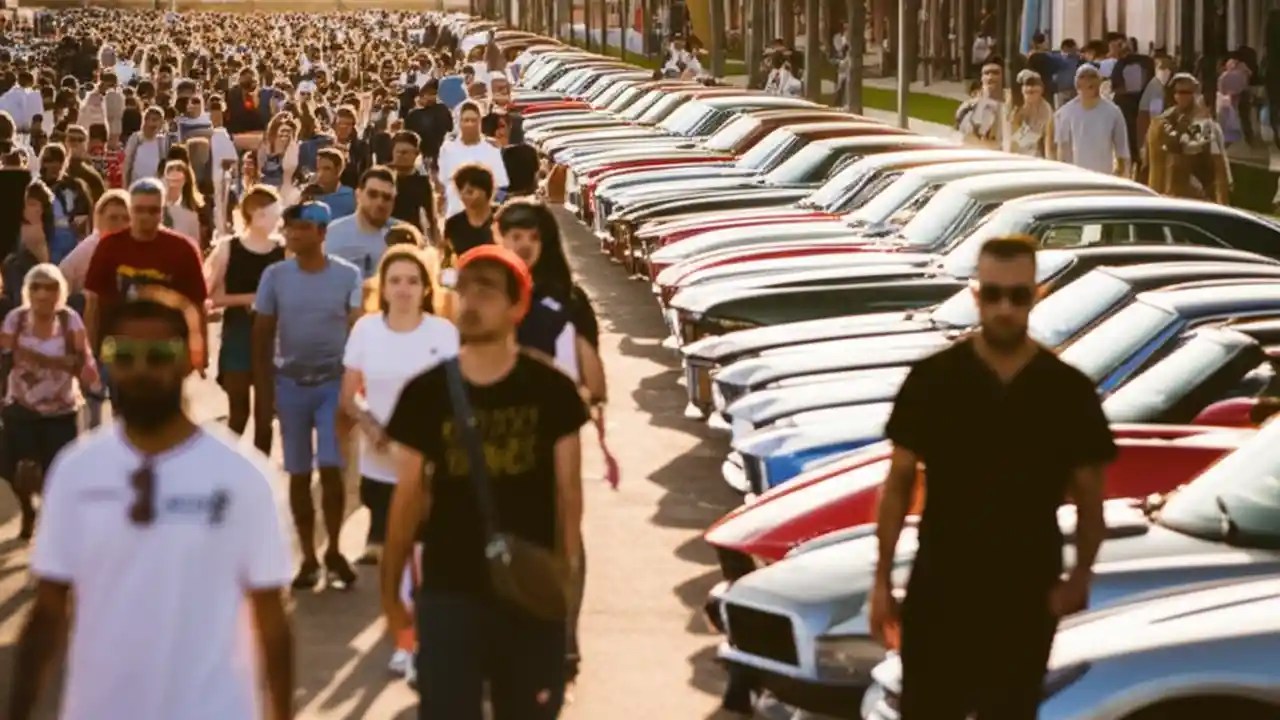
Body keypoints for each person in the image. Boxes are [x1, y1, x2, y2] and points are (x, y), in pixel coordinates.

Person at [9, 287, 295, 720]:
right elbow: (48, 610)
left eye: (159, 354)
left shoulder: (243, 478)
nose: (141, 369)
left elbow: (272, 619)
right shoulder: (75, 472)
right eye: (123, 354)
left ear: (191, 355)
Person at [870, 235, 1114, 719]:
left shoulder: (1066, 392)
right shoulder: (933, 380)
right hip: (940, 592)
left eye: (1018, 295)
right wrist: (880, 582)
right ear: (977, 295)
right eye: (994, 294)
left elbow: (1091, 497)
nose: (1005, 307)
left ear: (1036, 296)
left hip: (1024, 597)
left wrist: (1081, 573)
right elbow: (898, 483)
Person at [381, 244, 587, 720]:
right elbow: (407, 498)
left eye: (487, 290)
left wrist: (561, 588)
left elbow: (569, 497)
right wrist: (391, 593)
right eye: (462, 289)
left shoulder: (552, 390)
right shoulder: (426, 392)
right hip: (450, 590)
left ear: (518, 305)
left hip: (528, 589)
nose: (469, 301)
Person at [494, 200, 609, 686]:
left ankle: (564, 637)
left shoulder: (568, 299)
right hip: (494, 440)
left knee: (564, 539)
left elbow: (595, 381)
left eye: (531, 237)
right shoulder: (486, 294)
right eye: (513, 236)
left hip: (553, 442)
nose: (522, 245)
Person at [341, 245, 458, 682]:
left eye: (412, 280)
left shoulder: (444, 333)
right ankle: (404, 640)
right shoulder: (367, 331)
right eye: (395, 281)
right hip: (381, 464)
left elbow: (455, 395)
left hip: (432, 467)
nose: (404, 289)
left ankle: (421, 640)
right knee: (395, 559)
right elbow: (350, 393)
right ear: (382, 288)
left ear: (426, 287)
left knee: (424, 556)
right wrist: (371, 426)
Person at [253, 201, 363, 590]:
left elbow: (356, 331)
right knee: (298, 474)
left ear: (321, 233)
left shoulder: (347, 275)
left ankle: (333, 548)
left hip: (333, 384)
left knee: (331, 469)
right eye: (289, 228)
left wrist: (355, 392)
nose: (293, 235)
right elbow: (262, 337)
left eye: (301, 228)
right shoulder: (275, 276)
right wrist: (263, 398)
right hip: (291, 384)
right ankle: (308, 556)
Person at [0, 263, 99, 540]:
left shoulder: (69, 321)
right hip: (21, 407)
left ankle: (53, 526)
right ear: (27, 291)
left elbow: (85, 360)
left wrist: (86, 376)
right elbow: (4, 357)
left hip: (61, 410)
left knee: (58, 476)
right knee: (14, 470)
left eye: (50, 287)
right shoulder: (15, 320)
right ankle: (27, 509)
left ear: (61, 292)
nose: (43, 294)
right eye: (36, 287)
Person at [83, 178, 207, 362]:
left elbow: (197, 305)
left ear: (162, 211)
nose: (146, 217)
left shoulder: (183, 249)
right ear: (130, 210)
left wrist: (200, 354)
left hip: (167, 346)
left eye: (153, 210)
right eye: (139, 210)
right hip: (120, 346)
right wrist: (88, 353)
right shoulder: (109, 246)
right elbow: (93, 303)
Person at [206, 185, 285, 454]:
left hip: (272, 339)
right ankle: (225, 469)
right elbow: (212, 297)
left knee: (265, 420)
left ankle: (262, 478)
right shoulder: (229, 248)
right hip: (238, 334)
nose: (278, 219)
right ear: (256, 213)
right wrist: (251, 298)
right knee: (237, 414)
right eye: (273, 213)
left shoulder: (283, 251)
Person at [1146, 73, 1231, 205]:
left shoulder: (1206, 123)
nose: (1182, 96)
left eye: (1187, 92)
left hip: (1199, 191)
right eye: (1178, 92)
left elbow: (1218, 164)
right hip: (1169, 193)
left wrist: (1222, 200)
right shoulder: (1165, 119)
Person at [1054, 64, 1131, 176]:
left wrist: (1122, 172)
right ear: (1077, 85)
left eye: (1092, 78)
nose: (1088, 82)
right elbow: (1062, 150)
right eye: (1083, 78)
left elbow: (1122, 148)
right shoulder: (1065, 113)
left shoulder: (1113, 112)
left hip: (1104, 177)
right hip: (1074, 177)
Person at [436, 101, 508, 220]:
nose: (470, 124)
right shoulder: (448, 148)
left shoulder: (492, 148)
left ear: (480, 122)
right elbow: (443, 180)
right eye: (466, 120)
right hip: (455, 212)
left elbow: (500, 184)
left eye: (474, 120)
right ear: (459, 122)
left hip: (484, 215)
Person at [325, 165, 397, 279]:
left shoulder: (404, 235)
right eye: (372, 194)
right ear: (358, 195)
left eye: (387, 197)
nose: (380, 202)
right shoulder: (332, 233)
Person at [389, 129, 440, 242]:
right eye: (397, 152)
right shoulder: (383, 176)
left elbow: (432, 218)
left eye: (404, 152)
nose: (400, 156)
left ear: (416, 154)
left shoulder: (422, 182)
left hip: (413, 238)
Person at [443, 162, 496, 257]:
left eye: (470, 191)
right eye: (460, 191)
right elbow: (447, 256)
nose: (464, 195)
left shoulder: (502, 217)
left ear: (486, 191)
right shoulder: (453, 224)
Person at [161, 158, 212, 251]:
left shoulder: (191, 213)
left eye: (178, 170)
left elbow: (195, 243)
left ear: (186, 180)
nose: (174, 174)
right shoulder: (156, 207)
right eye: (170, 170)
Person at [1005, 70, 1055, 158]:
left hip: (1033, 156)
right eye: (1027, 85)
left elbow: (1048, 141)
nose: (1030, 88)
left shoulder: (1046, 110)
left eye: (1034, 85)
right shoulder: (1014, 106)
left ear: (1042, 89)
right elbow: (1010, 135)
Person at [956, 59, 1004, 149]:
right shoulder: (967, 108)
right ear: (981, 78)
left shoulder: (1010, 107)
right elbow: (964, 137)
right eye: (987, 73)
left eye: (995, 73)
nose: (991, 77)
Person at [311, 147, 357, 219]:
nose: (320, 174)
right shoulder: (310, 195)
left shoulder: (351, 197)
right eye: (318, 169)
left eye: (327, 169)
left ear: (338, 169)